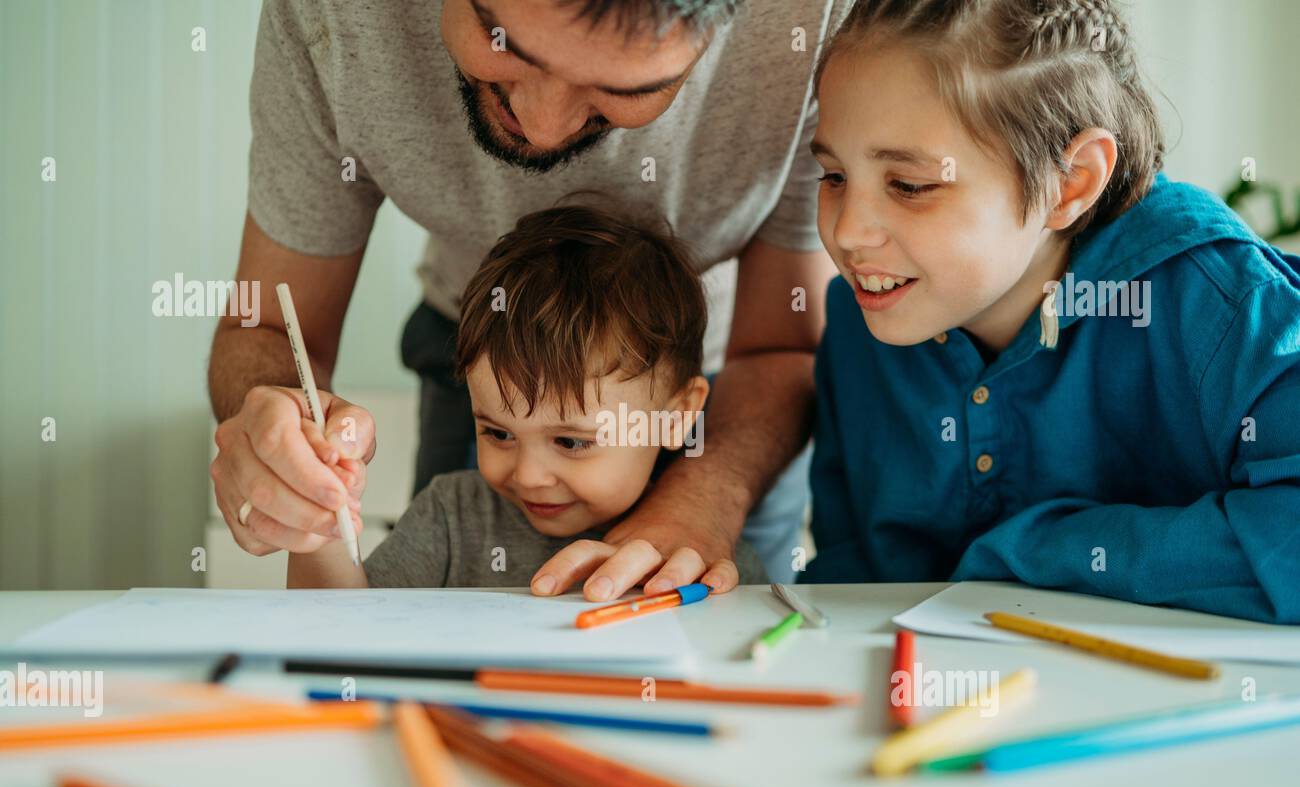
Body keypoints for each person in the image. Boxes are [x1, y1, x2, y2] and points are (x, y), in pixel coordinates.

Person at [209, 0, 850, 598]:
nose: (543, 131)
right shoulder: (454, 520)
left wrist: (705, 497)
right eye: (505, 45)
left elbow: (780, 345)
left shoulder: (817, 20)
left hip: (734, 382)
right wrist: (305, 494)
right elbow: (267, 323)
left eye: (624, 89)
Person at [802, 0, 1300, 623]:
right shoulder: (864, 313)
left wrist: (1042, 555)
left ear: (1071, 182)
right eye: (833, 176)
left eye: (909, 186)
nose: (847, 233)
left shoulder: (1227, 306)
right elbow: (850, 587)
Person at [287, 204, 766, 588]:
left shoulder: (701, 547)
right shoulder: (450, 518)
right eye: (497, 432)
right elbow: (344, 638)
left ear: (677, 416)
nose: (529, 477)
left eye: (571, 442)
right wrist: (321, 533)